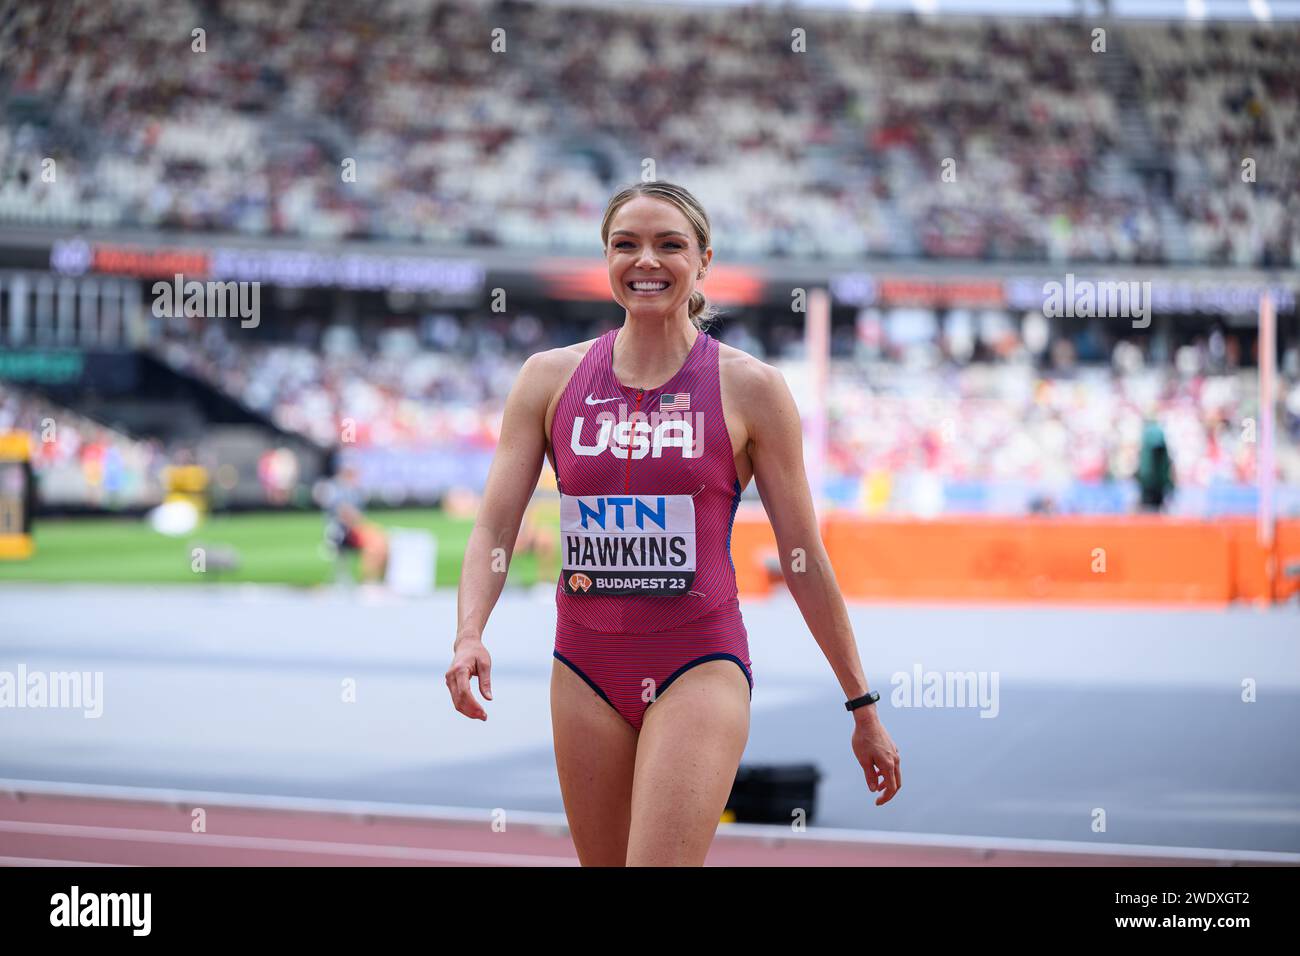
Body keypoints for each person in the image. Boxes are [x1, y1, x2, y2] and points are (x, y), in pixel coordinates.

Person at [446, 182, 900, 866]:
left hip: (698, 663)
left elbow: (803, 556)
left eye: (669, 245)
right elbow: (493, 530)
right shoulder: (548, 379)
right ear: (605, 257)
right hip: (584, 667)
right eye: (625, 244)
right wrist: (469, 633)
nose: (646, 261)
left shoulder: (750, 388)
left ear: (704, 260)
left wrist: (860, 704)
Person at [319, 457, 388, 583]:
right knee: (374, 543)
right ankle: (369, 580)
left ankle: (375, 578)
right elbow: (344, 514)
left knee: (381, 541)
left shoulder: (355, 490)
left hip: (354, 529)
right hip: (343, 532)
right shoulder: (337, 489)